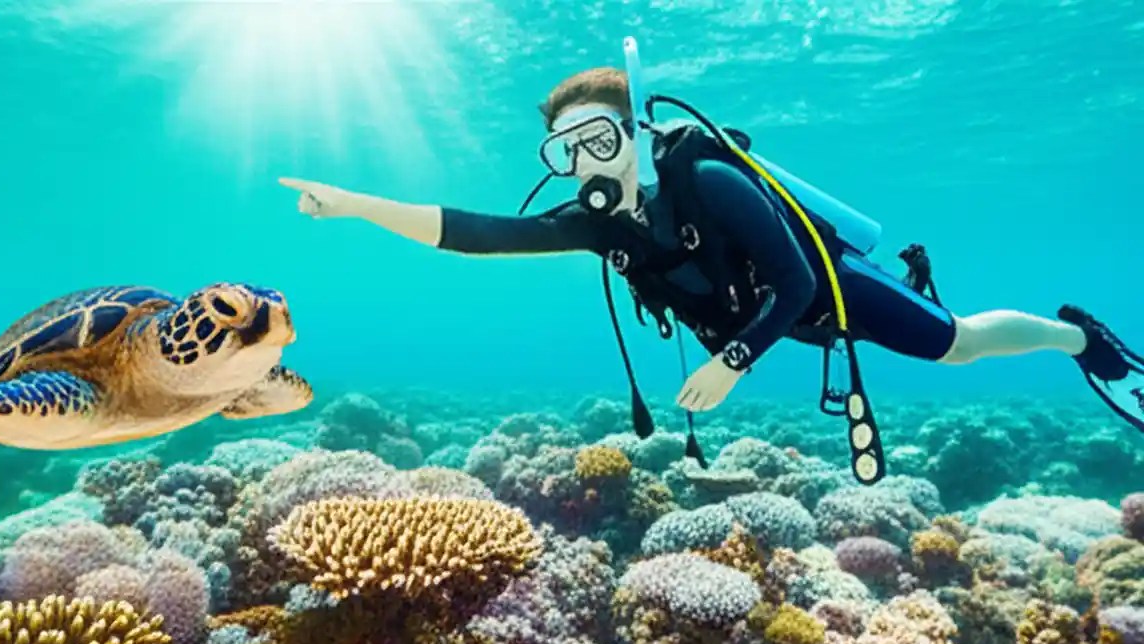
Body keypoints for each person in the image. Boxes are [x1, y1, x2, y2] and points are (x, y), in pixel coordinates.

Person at [278, 64, 1144, 477]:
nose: (585, 161)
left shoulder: (707, 179)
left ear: (633, 138)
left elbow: (798, 286)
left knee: (954, 346)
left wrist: (731, 366)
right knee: (947, 343)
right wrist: (357, 204)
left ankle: (1079, 337)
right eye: (566, 148)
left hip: (821, 294)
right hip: (765, 326)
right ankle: (1061, 329)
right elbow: (480, 234)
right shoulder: (592, 224)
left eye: (599, 139)